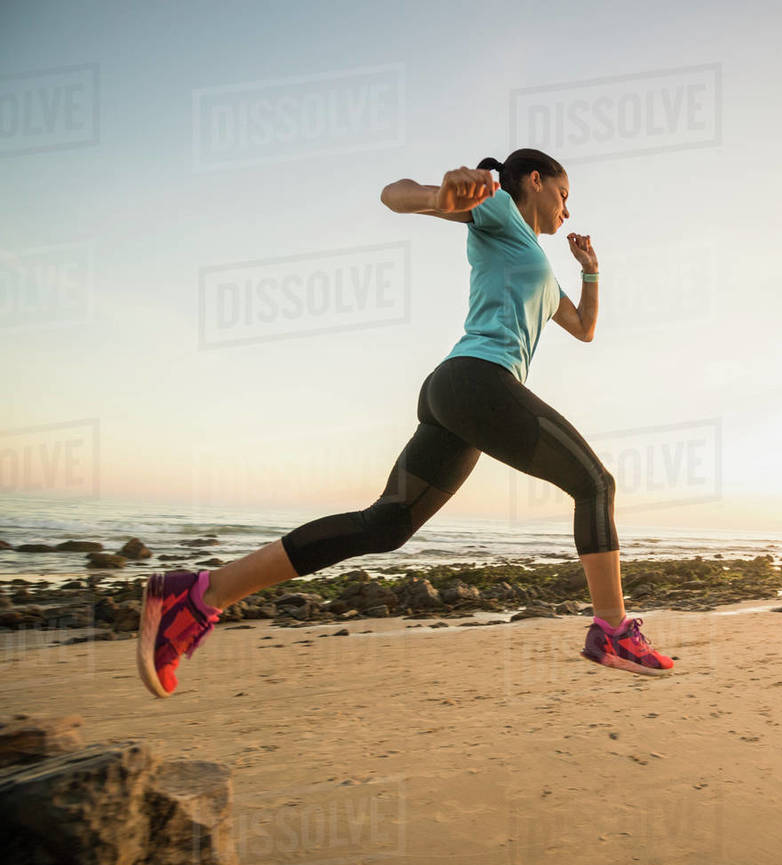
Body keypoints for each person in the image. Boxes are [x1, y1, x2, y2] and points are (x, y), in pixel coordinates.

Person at [136, 148, 675, 699]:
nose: (567, 212)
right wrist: (440, 196)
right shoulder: (500, 212)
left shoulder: (533, 259)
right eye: (564, 196)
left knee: (383, 527)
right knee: (595, 483)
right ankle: (612, 630)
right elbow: (394, 196)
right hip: (476, 381)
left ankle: (198, 595)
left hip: (458, 395)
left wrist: (591, 271)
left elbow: (584, 328)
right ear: (534, 182)